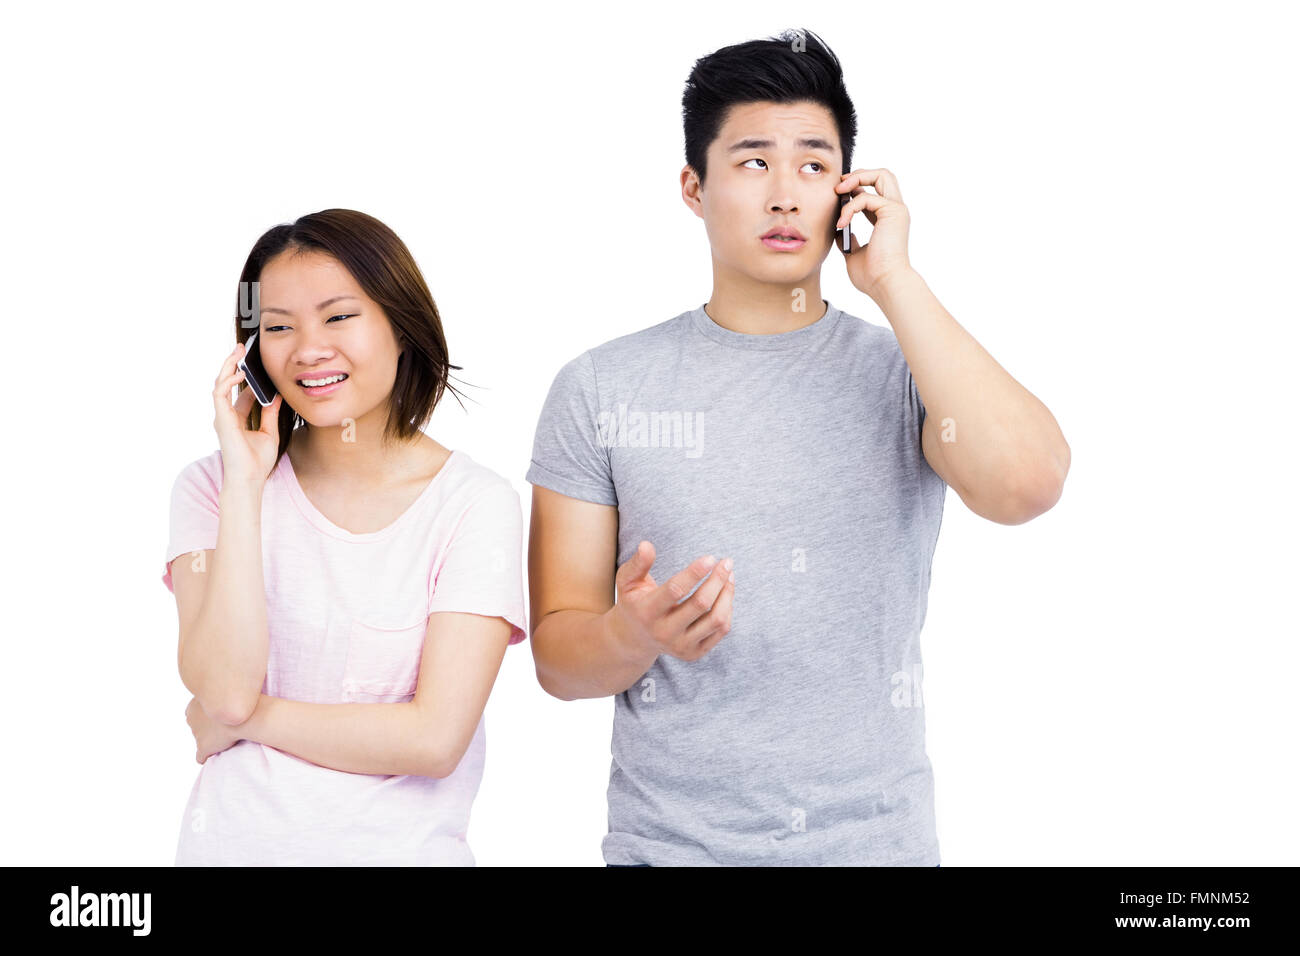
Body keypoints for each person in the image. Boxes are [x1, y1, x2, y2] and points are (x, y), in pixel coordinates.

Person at [525, 28, 1070, 866]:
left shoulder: (910, 370)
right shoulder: (601, 387)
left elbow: (1028, 487)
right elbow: (559, 659)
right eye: (752, 162)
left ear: (848, 190)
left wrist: (894, 279)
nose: (785, 194)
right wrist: (636, 634)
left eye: (814, 165)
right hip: (669, 848)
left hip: (877, 846)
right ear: (692, 186)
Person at [163, 208, 527, 865]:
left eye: (338, 316)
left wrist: (247, 722)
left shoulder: (475, 504)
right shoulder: (210, 490)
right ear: (252, 354)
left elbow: (433, 739)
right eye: (277, 327)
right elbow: (222, 689)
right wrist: (246, 487)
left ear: (401, 326)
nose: (308, 349)